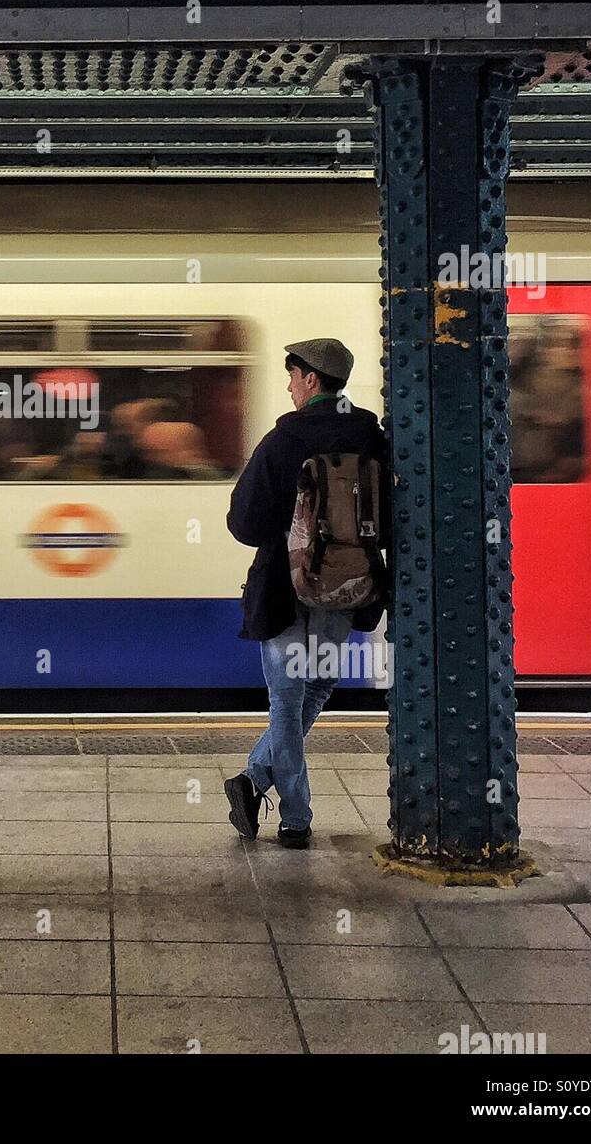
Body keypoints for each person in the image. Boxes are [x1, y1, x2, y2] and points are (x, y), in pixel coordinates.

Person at [223, 338, 389, 849]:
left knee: (287, 703)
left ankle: (294, 818)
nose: (290, 386)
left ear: (311, 380)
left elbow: (245, 523)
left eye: (293, 376)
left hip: (286, 587)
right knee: (315, 689)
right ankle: (253, 781)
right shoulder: (372, 436)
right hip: (347, 584)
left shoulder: (283, 441)